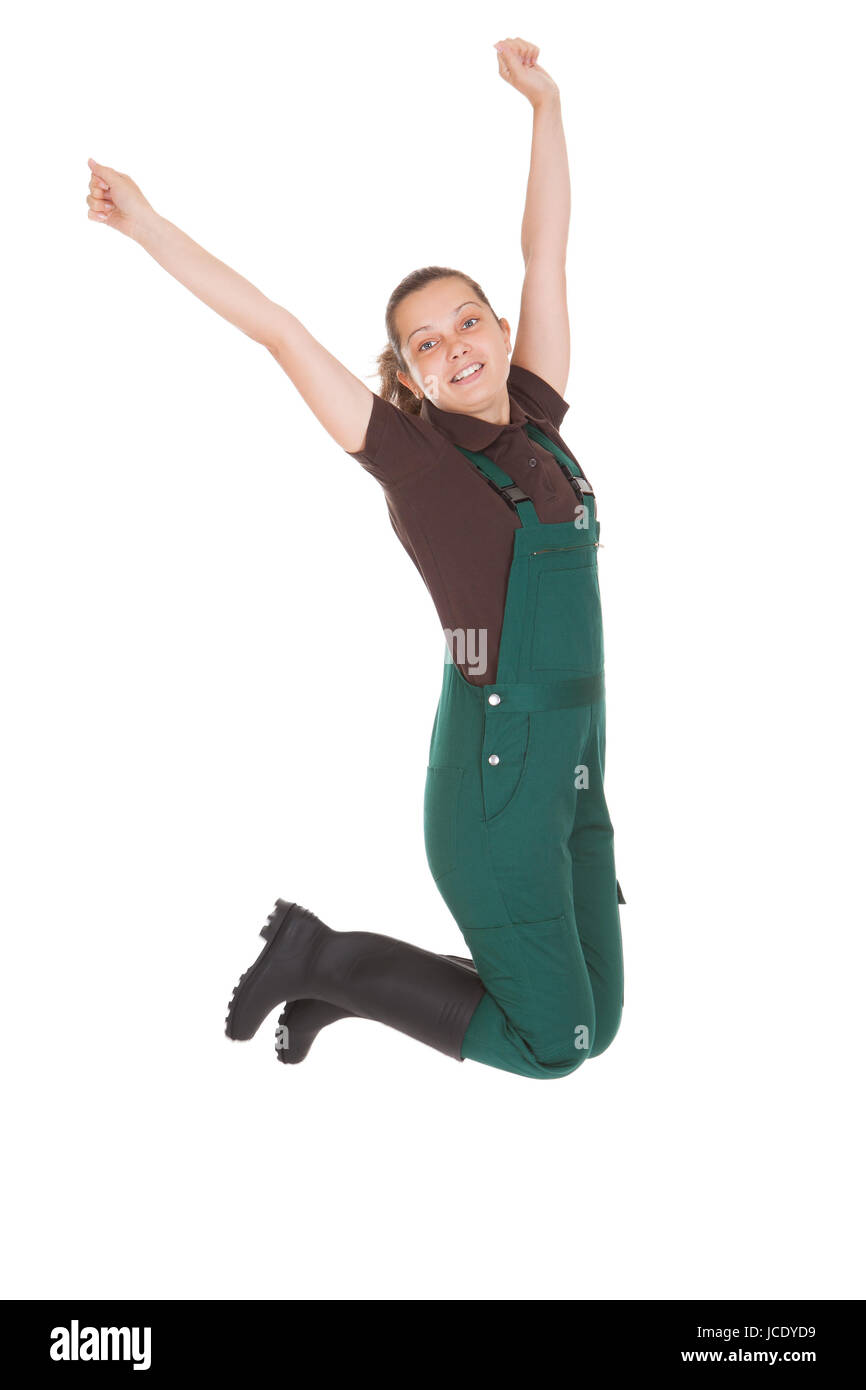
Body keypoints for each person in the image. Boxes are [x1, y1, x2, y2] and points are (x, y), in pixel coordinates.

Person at [86, 36, 625, 1080]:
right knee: (551, 1046)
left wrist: (544, 108)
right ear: (410, 381)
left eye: (468, 320)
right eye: (426, 342)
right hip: (495, 785)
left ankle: (335, 984)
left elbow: (544, 253)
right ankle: (319, 955)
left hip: (572, 768)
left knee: (593, 1021)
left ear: (501, 331)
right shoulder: (418, 462)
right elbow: (280, 332)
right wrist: (145, 223)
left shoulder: (540, 419)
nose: (456, 342)